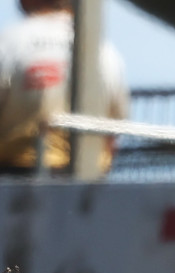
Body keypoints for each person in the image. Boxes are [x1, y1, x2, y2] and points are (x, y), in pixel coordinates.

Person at [0, 0, 128, 174]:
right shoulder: (103, 50)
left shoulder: (9, 41)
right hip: (88, 182)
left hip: (14, 177)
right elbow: (115, 125)